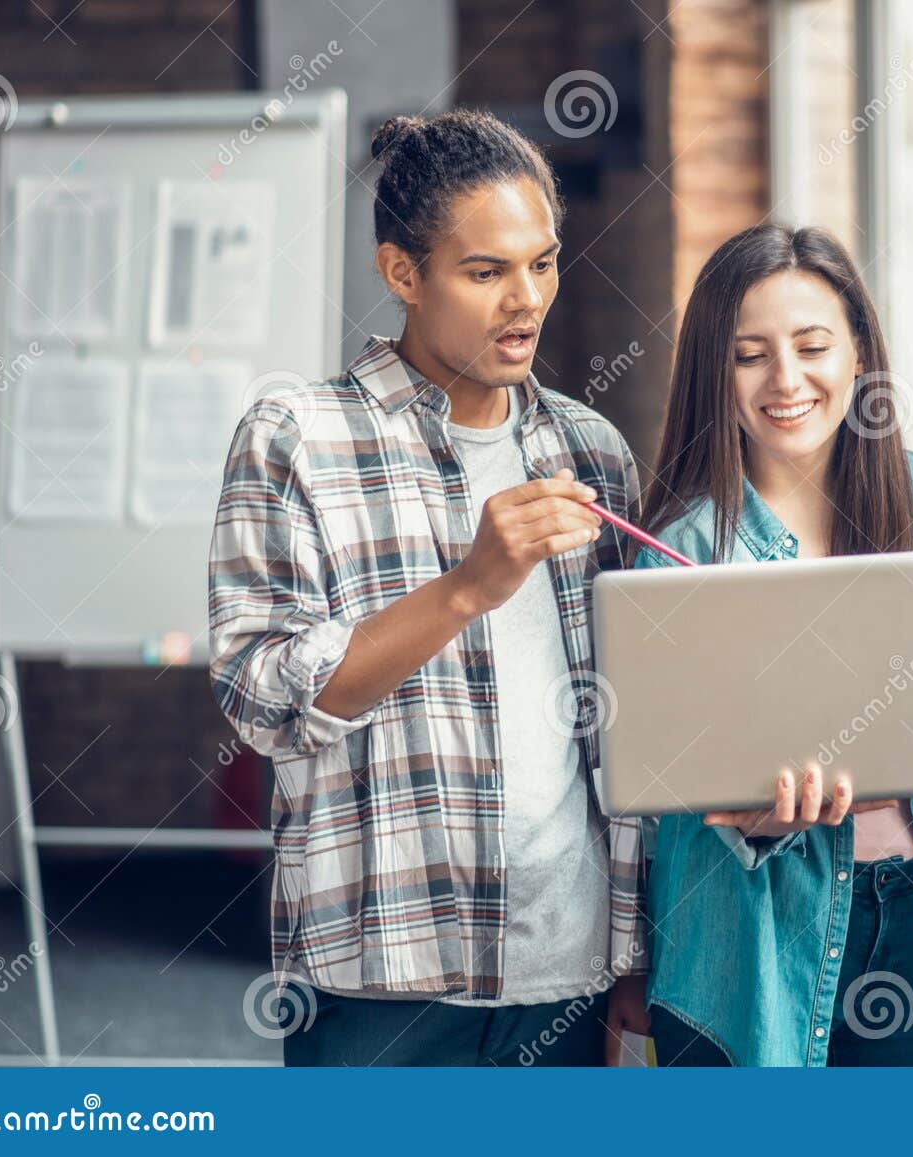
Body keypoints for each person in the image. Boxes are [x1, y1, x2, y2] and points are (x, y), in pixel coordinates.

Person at [208, 109, 649, 1066]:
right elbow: (261, 700)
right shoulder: (295, 437)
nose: (524, 300)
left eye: (542, 262)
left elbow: (623, 731)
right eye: (485, 272)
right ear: (402, 273)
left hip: (566, 963)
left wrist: (632, 951)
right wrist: (465, 587)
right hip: (381, 974)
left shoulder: (592, 453)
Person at [634, 223, 913, 1066]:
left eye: (812, 346)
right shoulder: (681, 544)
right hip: (742, 942)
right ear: (714, 372)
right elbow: (655, 773)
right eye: (749, 355)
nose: (787, 380)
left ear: (858, 354)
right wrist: (751, 818)